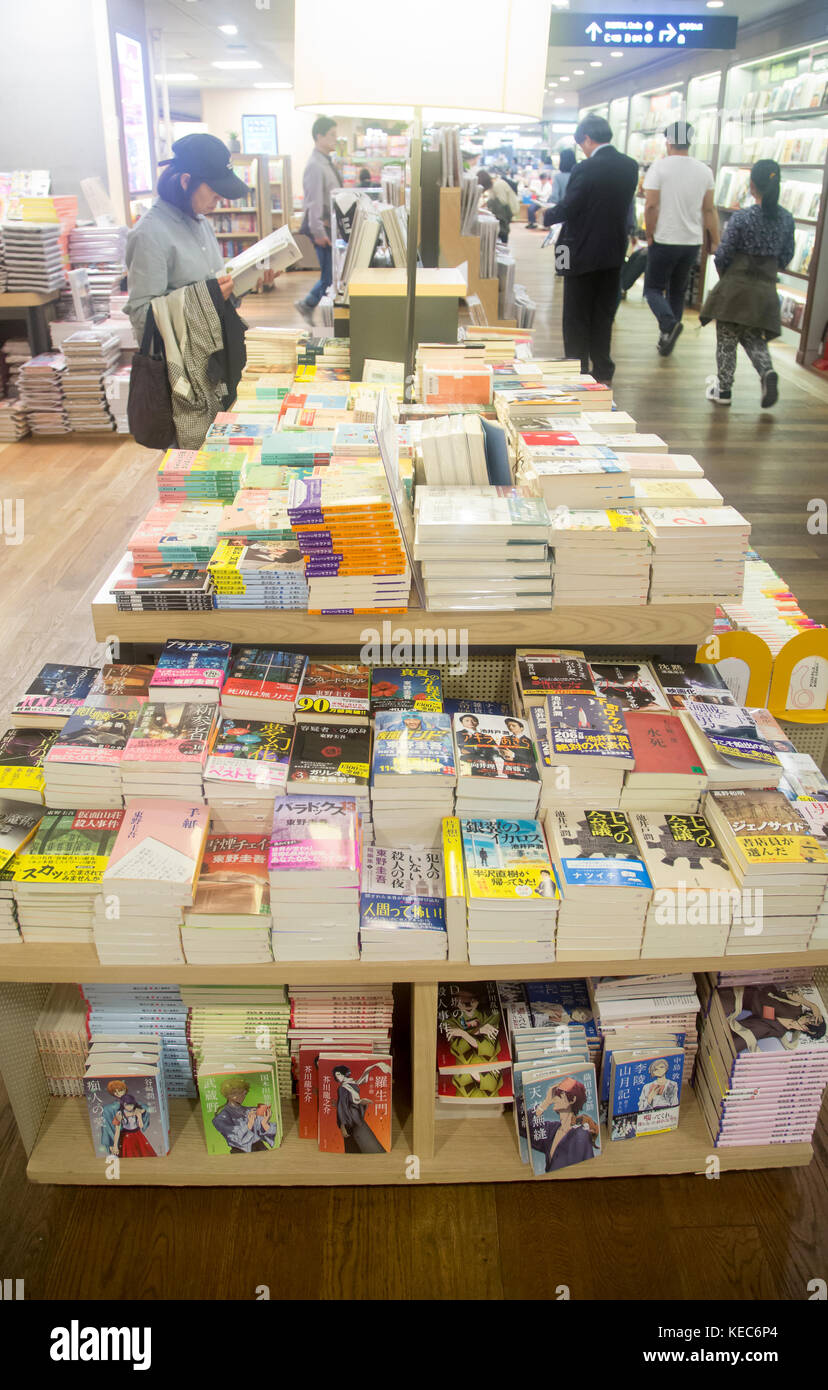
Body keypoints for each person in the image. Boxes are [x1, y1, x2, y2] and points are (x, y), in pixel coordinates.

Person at [125, 132, 269, 341]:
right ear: (185, 181)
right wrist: (205, 300)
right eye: (214, 190)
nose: (219, 198)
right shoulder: (149, 234)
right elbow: (141, 319)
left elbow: (213, 293)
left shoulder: (200, 221)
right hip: (179, 368)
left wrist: (243, 283)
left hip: (215, 354)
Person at [543, 114, 638, 385]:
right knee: (603, 313)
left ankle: (577, 367)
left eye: (581, 144)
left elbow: (571, 207)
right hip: (613, 251)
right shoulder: (630, 166)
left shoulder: (585, 169)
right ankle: (603, 367)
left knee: (575, 314)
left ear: (587, 138)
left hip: (580, 251)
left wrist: (545, 215)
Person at [700, 159, 796, 410]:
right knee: (753, 335)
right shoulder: (787, 219)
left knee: (727, 337)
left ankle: (724, 389)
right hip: (765, 287)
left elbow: (724, 254)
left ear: (752, 186)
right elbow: (787, 256)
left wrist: (725, 275)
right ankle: (766, 371)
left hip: (737, 284)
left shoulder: (743, 217)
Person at [643, 121, 719, 356]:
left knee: (653, 289)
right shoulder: (704, 170)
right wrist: (715, 239)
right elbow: (709, 210)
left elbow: (651, 205)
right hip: (691, 242)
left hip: (665, 238)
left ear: (668, 141)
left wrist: (649, 233)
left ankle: (669, 325)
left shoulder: (659, 168)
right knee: (677, 291)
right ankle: (667, 340)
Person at [295, 115, 343, 328]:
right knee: (329, 277)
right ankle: (308, 304)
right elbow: (313, 202)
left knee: (330, 275)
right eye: (331, 135)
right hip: (323, 229)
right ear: (319, 136)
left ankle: (309, 305)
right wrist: (319, 234)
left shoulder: (325, 162)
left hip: (330, 228)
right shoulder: (316, 165)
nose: (335, 139)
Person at [477, 168, 520, 244]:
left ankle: (503, 247)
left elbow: (502, 201)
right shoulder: (493, 186)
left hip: (506, 212)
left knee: (503, 232)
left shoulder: (498, 185)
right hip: (504, 213)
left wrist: (489, 206)